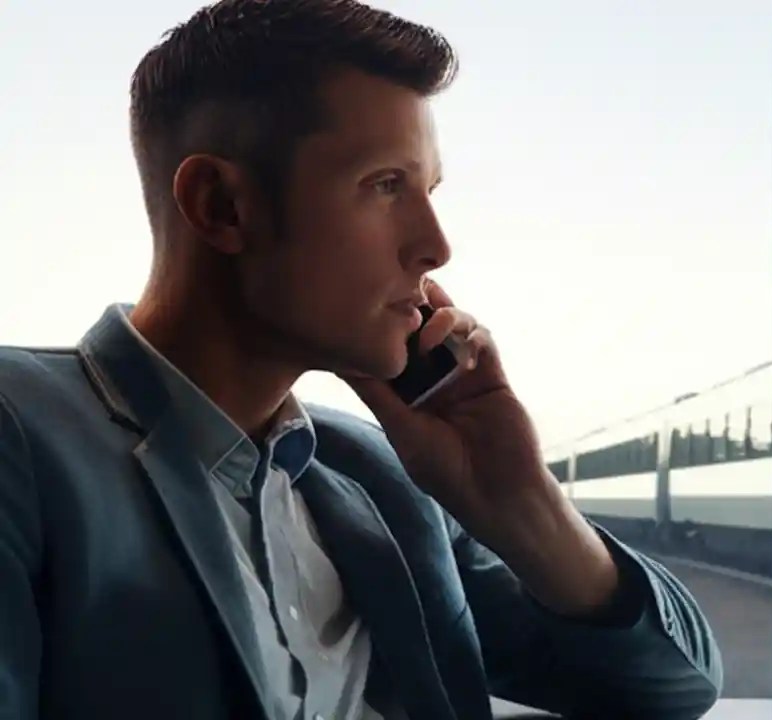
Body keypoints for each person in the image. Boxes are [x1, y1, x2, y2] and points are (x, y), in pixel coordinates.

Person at [0, 1, 723, 718]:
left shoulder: (378, 474)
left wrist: (521, 501)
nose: (435, 245)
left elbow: (668, 688)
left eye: (429, 190)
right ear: (221, 206)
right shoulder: (22, 435)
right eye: (385, 186)